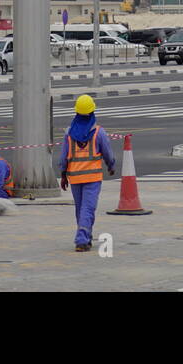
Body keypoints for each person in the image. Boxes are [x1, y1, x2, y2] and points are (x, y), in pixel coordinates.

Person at [56, 94, 116, 252]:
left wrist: (63, 175)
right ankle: (81, 239)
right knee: (87, 208)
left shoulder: (69, 133)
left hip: (75, 177)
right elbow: (108, 153)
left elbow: (63, 157)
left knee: (81, 208)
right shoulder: (98, 132)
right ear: (92, 112)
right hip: (92, 178)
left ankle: (86, 237)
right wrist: (111, 165)